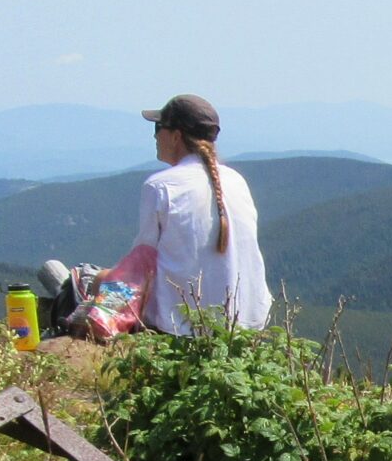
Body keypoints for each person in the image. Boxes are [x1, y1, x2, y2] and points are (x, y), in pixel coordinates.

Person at [93, 93, 272, 335]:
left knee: (87, 278)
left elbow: (141, 267)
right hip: (245, 324)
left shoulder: (160, 186)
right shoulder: (236, 181)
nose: (154, 136)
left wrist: (103, 286)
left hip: (178, 325)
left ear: (176, 136)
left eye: (158, 127)